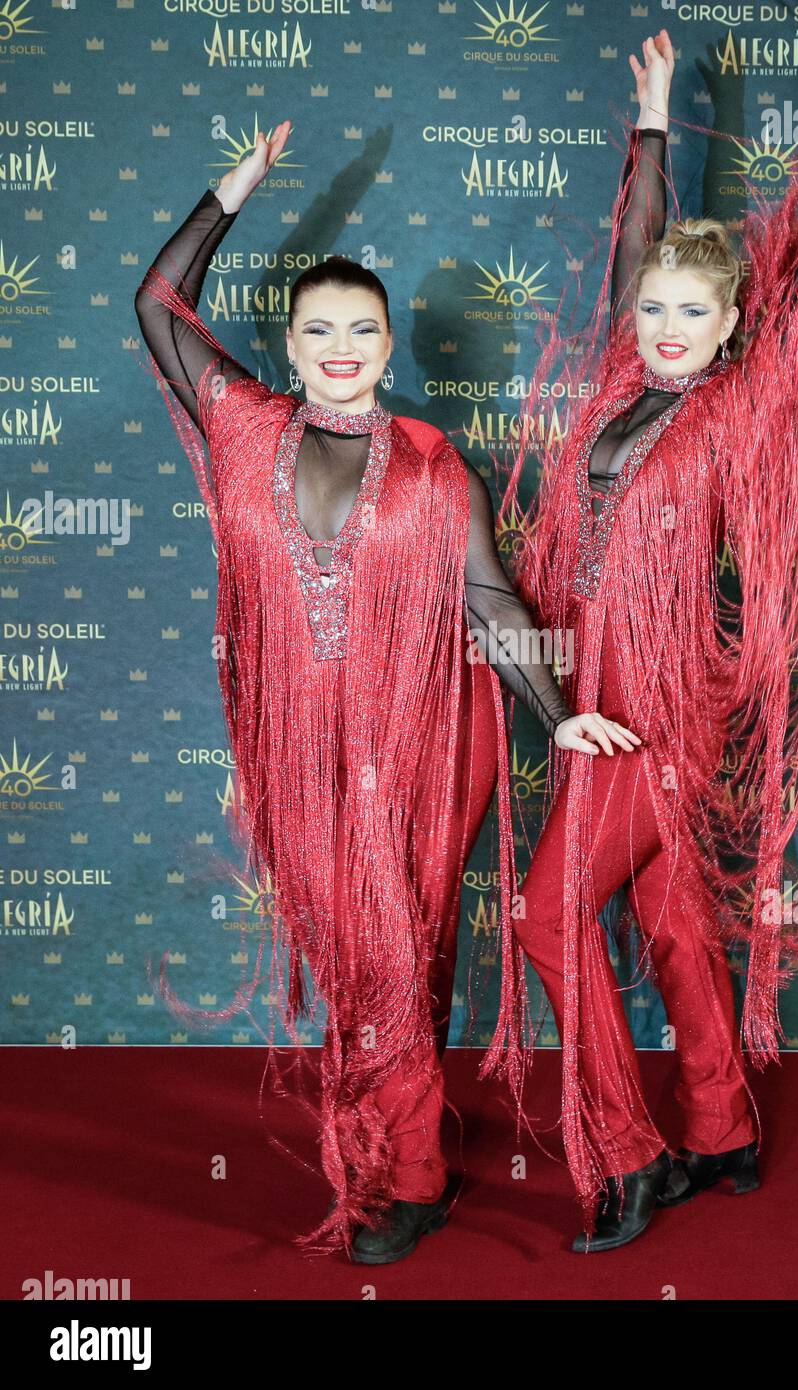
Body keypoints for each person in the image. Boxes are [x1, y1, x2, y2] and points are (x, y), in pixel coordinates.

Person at [133, 120, 631, 1263]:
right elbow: (159, 308)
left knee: (399, 946)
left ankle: (407, 1174)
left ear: (389, 344)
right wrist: (235, 188)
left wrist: (563, 718)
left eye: (363, 328)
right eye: (320, 329)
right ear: (290, 345)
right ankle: (397, 1141)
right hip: (302, 754)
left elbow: (490, 600)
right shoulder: (240, 424)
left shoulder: (428, 461)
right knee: (362, 951)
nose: (341, 345)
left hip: (425, 746)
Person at [484, 33, 798, 1251]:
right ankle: (722, 1126)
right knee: (675, 919)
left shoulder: (744, 399)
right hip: (587, 681)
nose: (668, 324)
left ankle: (628, 1156)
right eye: (654, 308)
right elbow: (635, 242)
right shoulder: (619, 383)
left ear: (732, 318)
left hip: (658, 699)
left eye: (695, 309)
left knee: (542, 917)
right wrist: (648, 117)